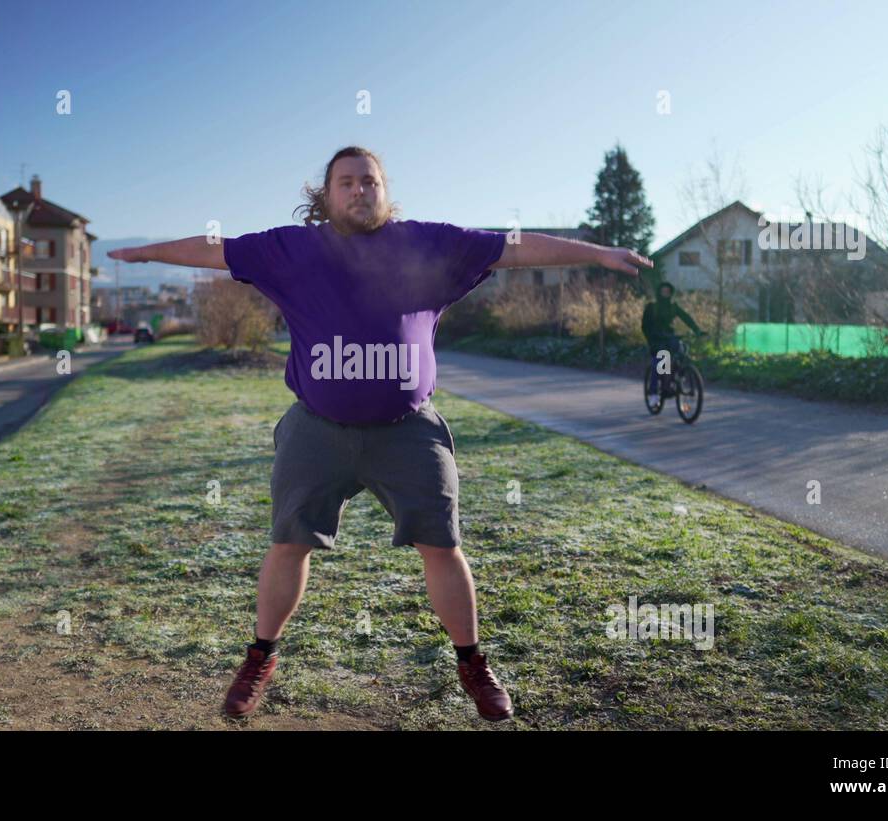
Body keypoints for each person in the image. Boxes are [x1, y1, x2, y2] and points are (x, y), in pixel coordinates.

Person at [110, 146, 652, 722]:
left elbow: (514, 247)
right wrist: (146, 253)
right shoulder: (293, 250)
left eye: (369, 181)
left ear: (385, 191)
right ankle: (258, 658)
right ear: (326, 195)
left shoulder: (430, 244)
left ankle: (472, 663)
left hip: (407, 432)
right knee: (288, 543)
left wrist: (597, 254)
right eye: (346, 182)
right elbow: (213, 250)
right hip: (317, 430)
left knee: (443, 546)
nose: (359, 191)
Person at [641, 281, 705, 403]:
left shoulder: (673, 307)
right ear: (659, 293)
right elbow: (645, 326)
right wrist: (652, 337)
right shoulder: (652, 307)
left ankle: (675, 379)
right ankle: (654, 392)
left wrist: (697, 330)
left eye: (668, 291)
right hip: (657, 340)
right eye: (663, 291)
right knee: (659, 364)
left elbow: (686, 317)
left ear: (671, 293)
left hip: (670, 338)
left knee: (681, 354)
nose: (665, 293)